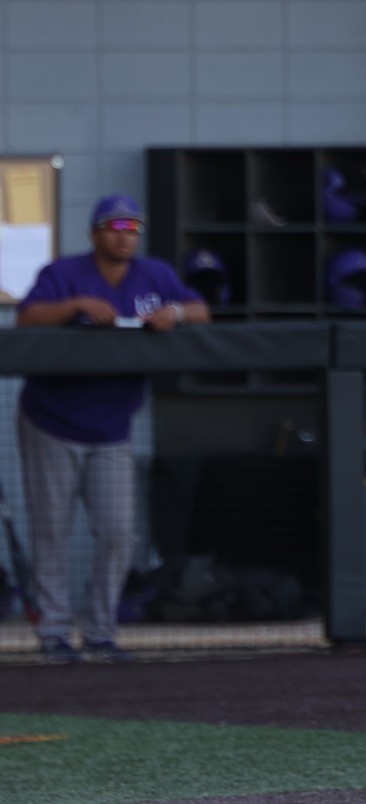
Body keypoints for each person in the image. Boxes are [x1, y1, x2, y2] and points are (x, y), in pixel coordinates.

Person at [16, 194, 210, 664]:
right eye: (115, 227)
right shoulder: (63, 274)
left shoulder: (155, 276)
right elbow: (26, 319)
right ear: (95, 232)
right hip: (52, 420)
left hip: (112, 427)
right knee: (51, 532)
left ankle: (101, 632)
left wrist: (176, 314)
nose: (124, 235)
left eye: (132, 228)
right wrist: (76, 306)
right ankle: (55, 635)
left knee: (120, 532)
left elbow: (200, 310)